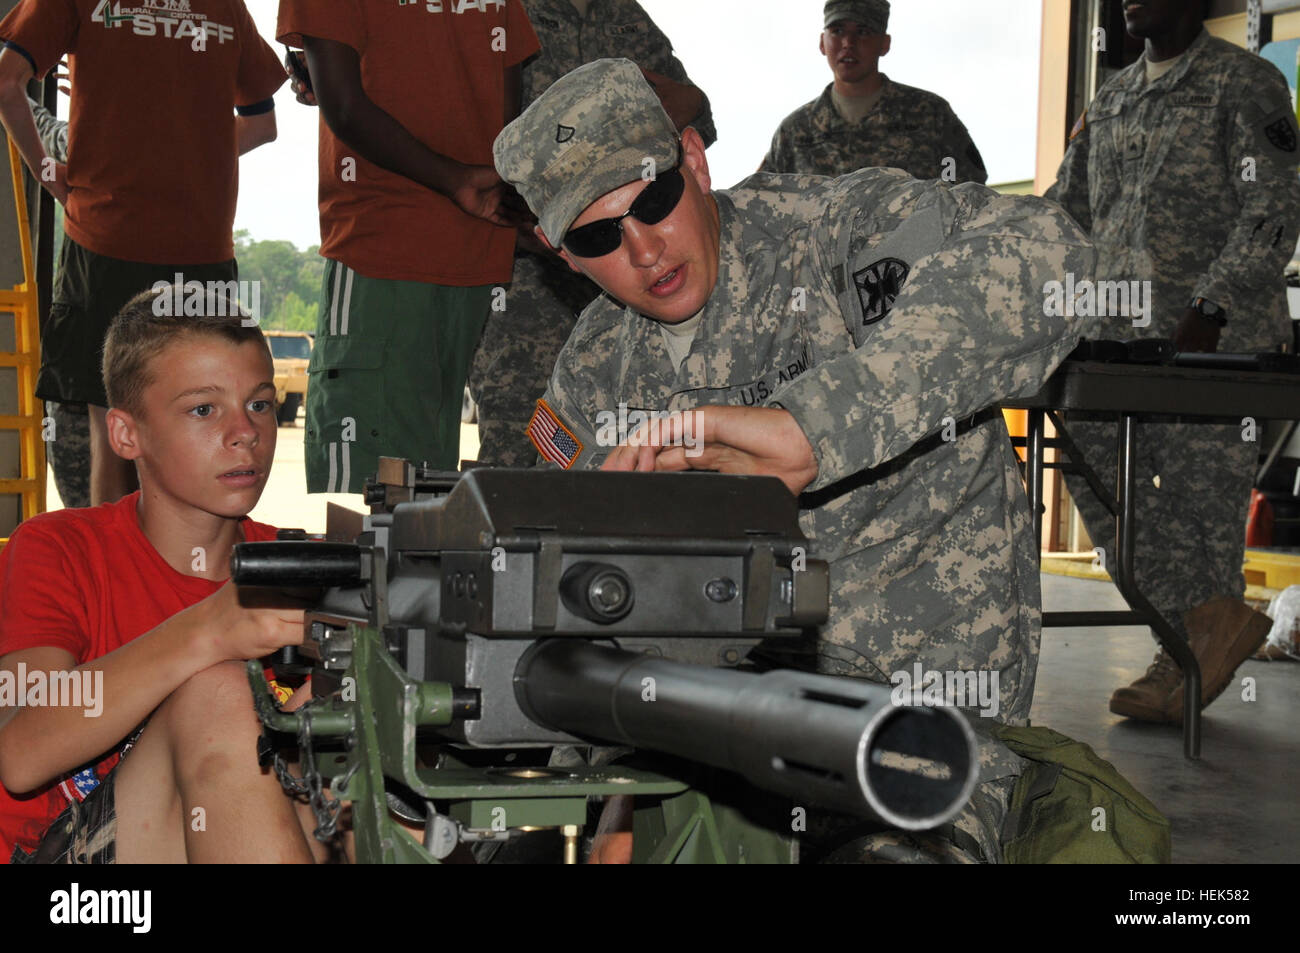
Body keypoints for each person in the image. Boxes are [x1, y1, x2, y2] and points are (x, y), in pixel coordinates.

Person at [495, 58, 1097, 862]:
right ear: (557, 250)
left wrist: (817, 424)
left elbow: (1050, 256)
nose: (643, 250)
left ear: (694, 161)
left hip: (915, 692)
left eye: (655, 201)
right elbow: (585, 608)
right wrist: (608, 788)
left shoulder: (831, 238)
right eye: (598, 236)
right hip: (709, 712)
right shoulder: (591, 376)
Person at [0, 289, 322, 863]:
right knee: (220, 690)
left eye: (261, 404)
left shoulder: (297, 562)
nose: (244, 431)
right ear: (127, 435)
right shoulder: (60, 548)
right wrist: (210, 630)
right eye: (204, 409)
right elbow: (21, 751)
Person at [1045, 0, 1299, 723]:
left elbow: (1274, 206)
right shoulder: (1115, 97)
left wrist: (1214, 304)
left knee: (1200, 510)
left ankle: (1184, 655)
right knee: (1086, 462)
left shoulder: (1242, 84)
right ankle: (1203, 622)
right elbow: (1066, 210)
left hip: (1213, 351)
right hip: (1115, 339)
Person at [0, 0, 286, 506]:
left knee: (114, 439)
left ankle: (119, 581)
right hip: (202, 252)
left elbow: (6, 83)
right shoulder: (224, 7)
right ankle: (190, 578)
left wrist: (51, 174)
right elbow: (263, 125)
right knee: (206, 433)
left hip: (109, 242)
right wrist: (188, 150)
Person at [277, 0, 539, 493]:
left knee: (376, 493)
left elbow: (346, 107)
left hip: (382, 245)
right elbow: (507, 115)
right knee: (423, 487)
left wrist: (455, 180)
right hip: (477, 243)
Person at [468, 0, 717, 466]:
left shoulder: (625, 15)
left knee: (646, 425)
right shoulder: (502, 13)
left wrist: (652, 118)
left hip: (638, 261)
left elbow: (693, 107)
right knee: (520, 436)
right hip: (531, 279)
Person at [760, 0, 986, 184]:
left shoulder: (929, 115)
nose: (848, 42)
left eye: (863, 32)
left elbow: (964, 187)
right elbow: (762, 203)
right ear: (822, 42)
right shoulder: (795, 133)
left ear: (884, 44)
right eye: (837, 31)